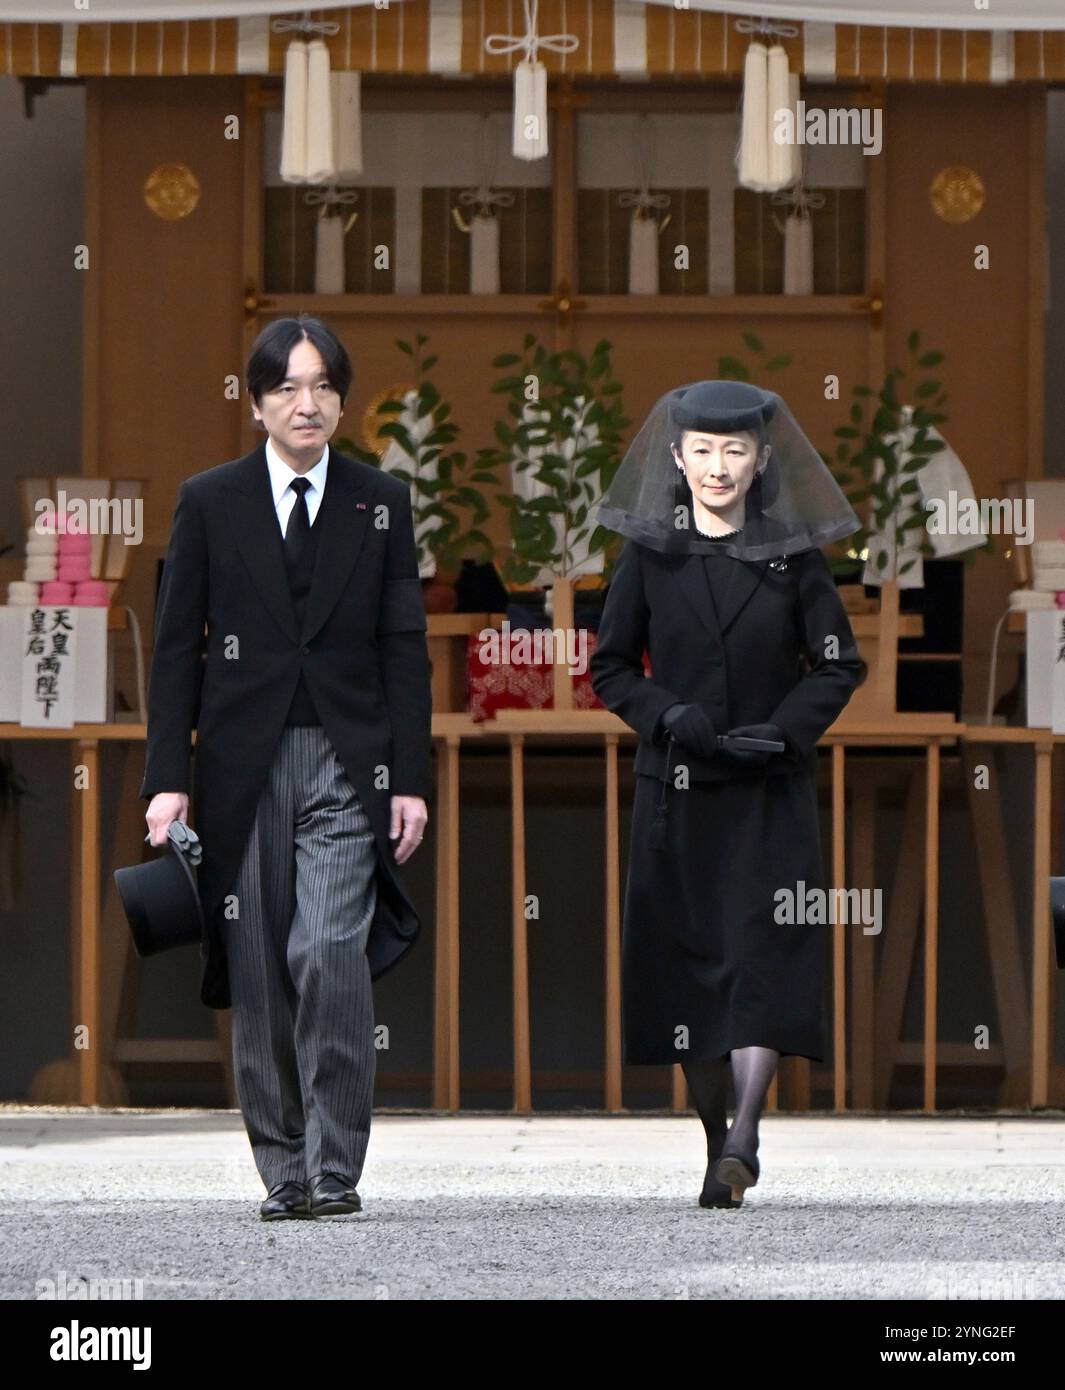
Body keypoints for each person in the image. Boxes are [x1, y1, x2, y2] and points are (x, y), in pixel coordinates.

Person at [140, 314, 432, 1221]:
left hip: (349, 765)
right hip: (239, 767)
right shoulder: (210, 499)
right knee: (260, 961)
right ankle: (283, 1170)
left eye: (322, 387)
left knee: (328, 948)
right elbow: (175, 649)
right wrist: (167, 777)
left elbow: (403, 647)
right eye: (287, 388)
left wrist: (409, 778)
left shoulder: (378, 501)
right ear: (258, 401)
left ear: (342, 400)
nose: (306, 404)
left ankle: (336, 1166)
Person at [590, 379, 866, 1208]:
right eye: (702, 451)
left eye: (734, 451)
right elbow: (607, 667)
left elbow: (838, 662)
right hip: (675, 793)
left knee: (761, 963)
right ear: (676, 458)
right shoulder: (649, 553)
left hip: (768, 790)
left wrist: (784, 731)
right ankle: (720, 1145)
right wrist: (667, 713)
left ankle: (744, 1132)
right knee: (691, 974)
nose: (718, 467)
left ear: (759, 460)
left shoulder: (793, 555)